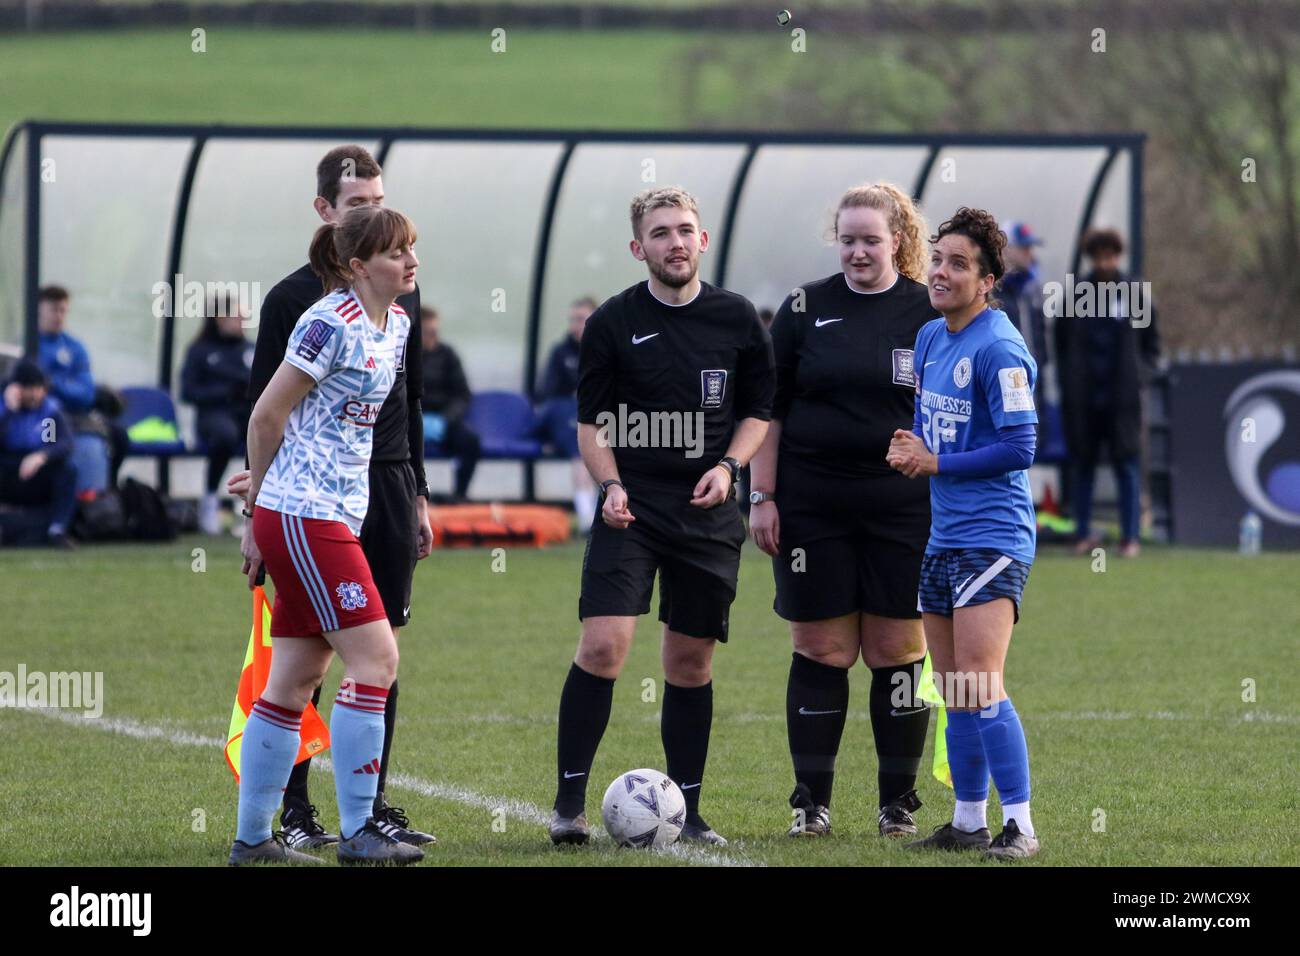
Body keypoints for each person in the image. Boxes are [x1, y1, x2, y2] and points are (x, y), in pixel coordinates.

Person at [549, 185, 775, 846]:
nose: (675, 243)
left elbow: (759, 414)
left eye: (685, 230)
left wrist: (729, 468)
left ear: (702, 240)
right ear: (638, 247)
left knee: (690, 663)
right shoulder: (612, 324)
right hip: (632, 511)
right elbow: (591, 427)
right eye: (660, 233)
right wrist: (611, 485)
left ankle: (691, 813)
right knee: (604, 644)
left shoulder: (737, 320)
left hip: (708, 515)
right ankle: (568, 806)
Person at [229, 145, 435, 850]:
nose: (410, 262)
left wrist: (415, 496)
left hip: (340, 511)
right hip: (306, 514)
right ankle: (358, 830)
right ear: (355, 266)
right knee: (376, 661)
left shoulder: (398, 326)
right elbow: (265, 414)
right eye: (395, 252)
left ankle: (254, 839)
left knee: (295, 677)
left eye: (411, 247)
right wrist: (259, 502)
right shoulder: (327, 321)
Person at [749, 182, 936, 839]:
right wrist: (764, 496)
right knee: (822, 648)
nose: (858, 252)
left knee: (898, 648)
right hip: (811, 508)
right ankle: (811, 805)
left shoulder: (929, 312)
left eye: (871, 240)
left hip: (905, 510)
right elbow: (768, 411)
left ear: (898, 241)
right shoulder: (804, 307)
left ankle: (897, 805)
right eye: (849, 240)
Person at [886, 206, 1041, 860]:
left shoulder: (1000, 347)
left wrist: (936, 461)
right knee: (952, 690)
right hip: (944, 535)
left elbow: (1020, 445)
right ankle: (968, 821)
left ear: (987, 280)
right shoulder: (928, 338)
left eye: (959, 264)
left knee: (981, 684)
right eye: (938, 260)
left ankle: (1022, 827)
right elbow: (947, 427)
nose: (942, 272)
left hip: (994, 535)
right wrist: (917, 445)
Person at [1056, 228, 1160, 558]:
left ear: (1119, 256)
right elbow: (1059, 343)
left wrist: (1140, 376)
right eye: (1099, 255)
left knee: (1127, 466)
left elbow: (1152, 345)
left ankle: (1130, 538)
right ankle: (1083, 534)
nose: (1105, 262)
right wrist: (1068, 382)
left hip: (1123, 401)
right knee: (1082, 467)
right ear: (1092, 257)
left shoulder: (1135, 294)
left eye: (1111, 255)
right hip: (1085, 401)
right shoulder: (1074, 296)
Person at [35, 285, 127, 491]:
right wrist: (64, 386)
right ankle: (47, 497)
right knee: (48, 439)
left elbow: (85, 395)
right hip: (45, 418)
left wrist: (53, 384)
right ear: (39, 310)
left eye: (63, 310)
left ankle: (106, 493)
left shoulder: (75, 348)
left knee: (119, 436)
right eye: (53, 310)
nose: (59, 316)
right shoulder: (28, 344)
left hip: (78, 418)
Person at [180, 294, 255, 534]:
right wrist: (225, 391)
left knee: (263, 436)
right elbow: (188, 392)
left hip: (246, 413)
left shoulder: (251, 350)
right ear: (219, 319)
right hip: (214, 415)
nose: (241, 320)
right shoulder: (200, 350)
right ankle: (210, 499)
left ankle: (252, 504)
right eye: (235, 315)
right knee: (225, 436)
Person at [0, 360, 77, 548]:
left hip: (34, 470)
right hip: (7, 468)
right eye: (30, 389)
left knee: (66, 471)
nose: (35, 394)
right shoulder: (5, 409)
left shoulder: (47, 413)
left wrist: (42, 456)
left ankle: (57, 529)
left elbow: (59, 443)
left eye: (39, 388)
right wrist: (9, 411)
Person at [537, 296, 598, 525]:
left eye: (581, 319)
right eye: (573, 319)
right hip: (565, 418)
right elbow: (544, 392)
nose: (575, 325)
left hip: (600, 418)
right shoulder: (560, 353)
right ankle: (586, 517)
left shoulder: (605, 350)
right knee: (581, 445)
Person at [419, 305, 481, 501]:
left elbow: (462, 395)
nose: (432, 337)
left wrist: (445, 420)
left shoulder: (448, 355)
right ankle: (411, 496)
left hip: (443, 419)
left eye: (435, 332)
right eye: (427, 332)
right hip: (412, 419)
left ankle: (460, 495)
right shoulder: (404, 355)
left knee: (470, 442)